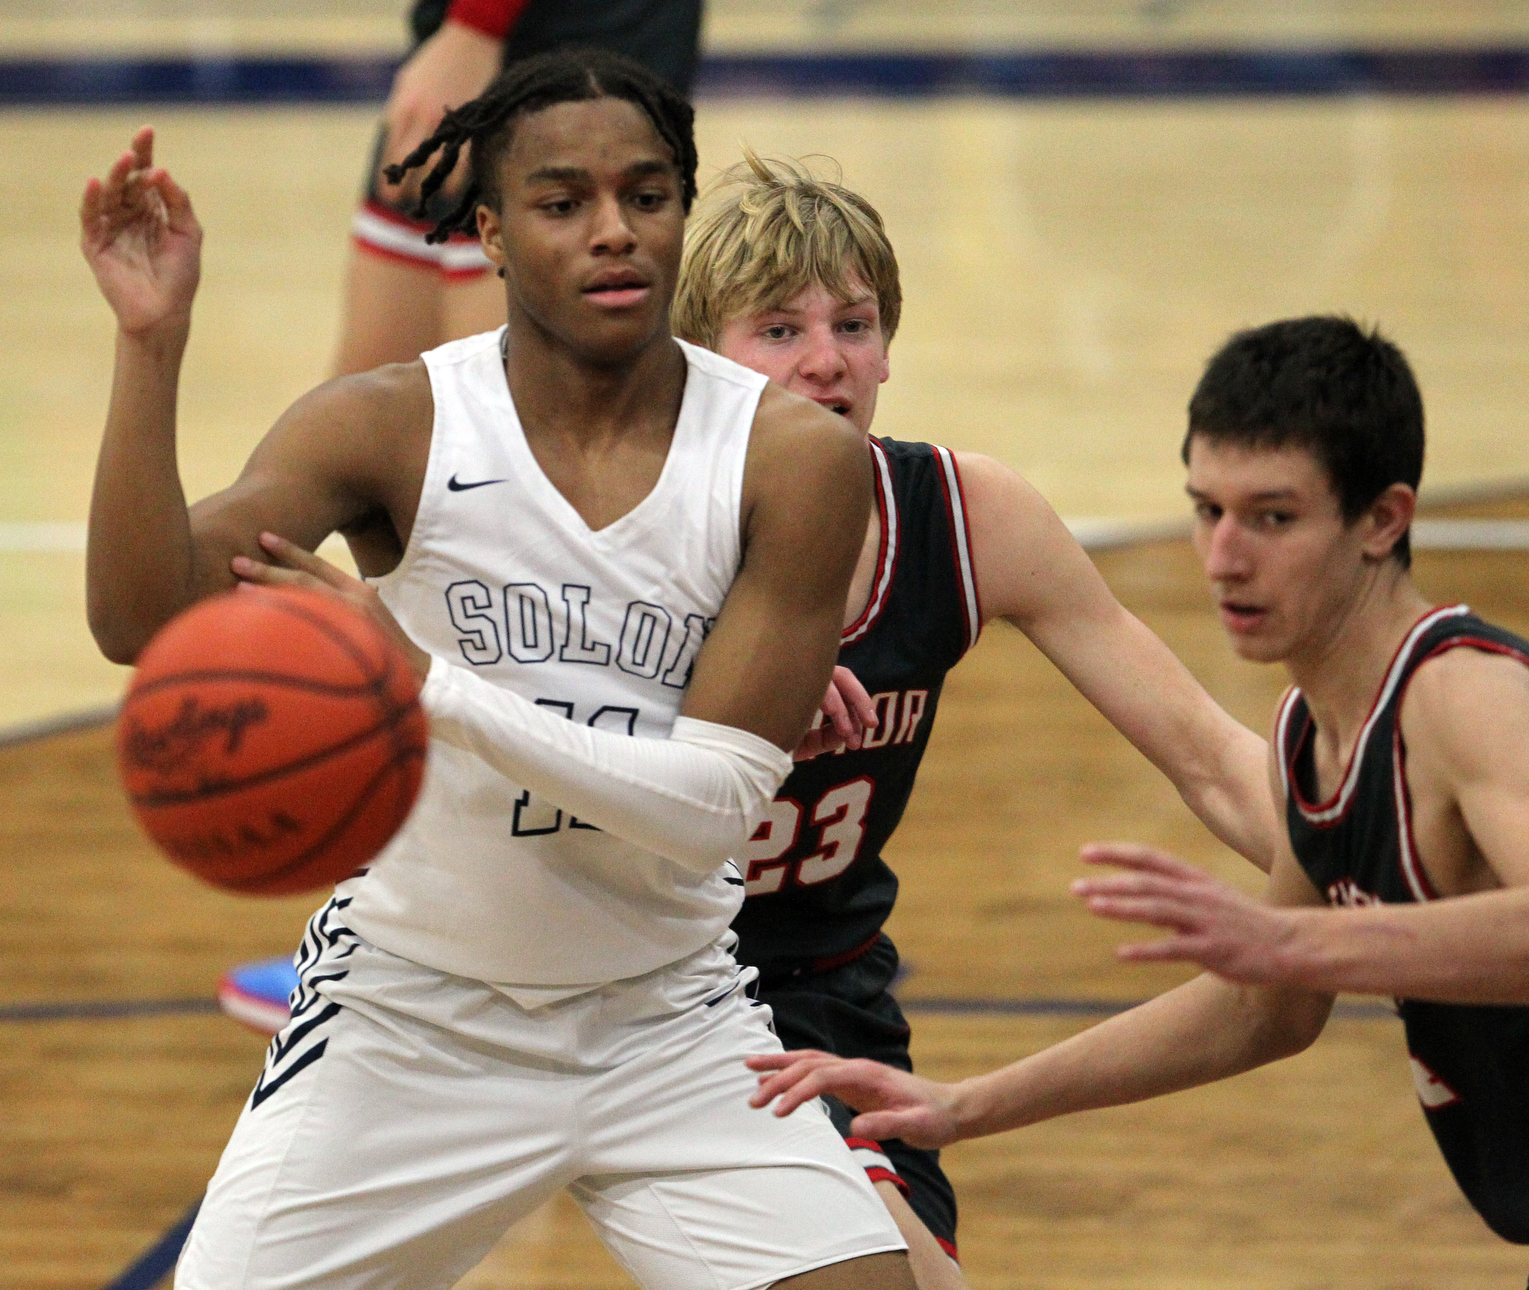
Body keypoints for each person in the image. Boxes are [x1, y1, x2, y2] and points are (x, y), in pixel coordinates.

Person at [80, 49, 915, 1290]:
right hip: (413, 1016)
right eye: (563, 202)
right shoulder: (388, 423)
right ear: (490, 234)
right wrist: (153, 345)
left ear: (684, 211)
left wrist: (426, 687)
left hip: (666, 1020)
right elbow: (141, 619)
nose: (613, 232)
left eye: (646, 195)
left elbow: (707, 813)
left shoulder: (788, 459)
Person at [748, 316, 1529, 1290]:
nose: (1224, 557)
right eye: (1206, 510)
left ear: (1382, 520)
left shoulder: (1462, 693)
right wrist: (964, 1106)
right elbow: (1262, 1011)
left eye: (1273, 518)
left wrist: (1295, 941)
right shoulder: (1310, 736)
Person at [667, 156, 1281, 1288]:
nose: (825, 359)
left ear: (889, 349)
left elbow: (1202, 754)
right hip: (605, 964)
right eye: (778, 327)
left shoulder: (965, 514)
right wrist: (729, 708)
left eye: (853, 323)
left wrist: (1358, 863)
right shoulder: (621, 536)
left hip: (808, 993)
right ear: (699, 358)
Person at [333, 0, 701, 376]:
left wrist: (476, 27)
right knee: (382, 408)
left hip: (548, 32)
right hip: (458, 33)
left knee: (513, 409)